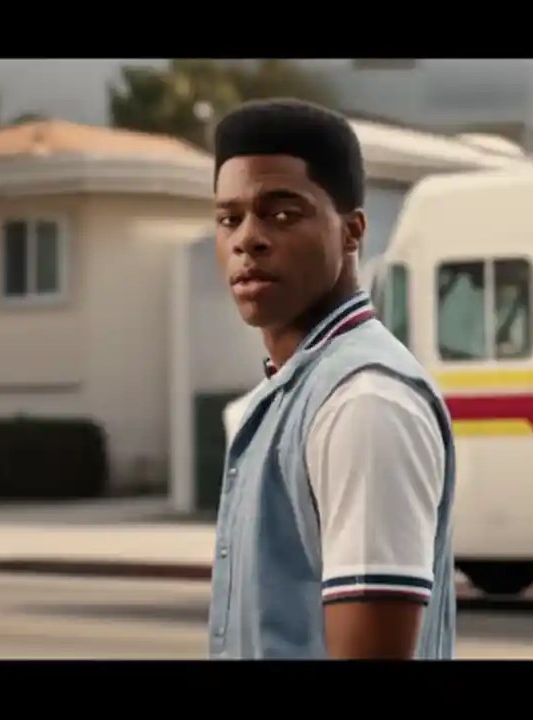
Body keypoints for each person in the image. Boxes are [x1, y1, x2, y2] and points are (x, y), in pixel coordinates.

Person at [207, 97, 457, 660]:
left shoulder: (365, 401)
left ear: (352, 232)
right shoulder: (291, 391)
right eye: (230, 218)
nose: (248, 239)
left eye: (282, 213)